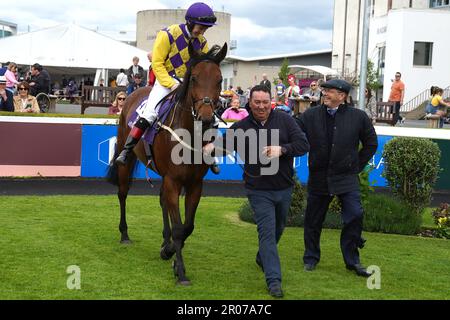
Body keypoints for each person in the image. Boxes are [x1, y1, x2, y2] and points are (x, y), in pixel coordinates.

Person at [203, 85, 310, 298]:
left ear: (271, 102)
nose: (261, 106)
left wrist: (283, 149)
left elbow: (303, 144)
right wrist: (211, 148)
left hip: (284, 187)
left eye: (265, 102)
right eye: (257, 102)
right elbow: (226, 145)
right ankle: (274, 281)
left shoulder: (286, 120)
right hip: (258, 191)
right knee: (268, 233)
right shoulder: (240, 127)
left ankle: (263, 257)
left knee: (279, 228)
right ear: (249, 103)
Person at [115, 2, 221, 175]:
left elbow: (203, 68)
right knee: (149, 112)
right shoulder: (168, 34)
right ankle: (127, 150)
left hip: (188, 84)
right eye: (201, 27)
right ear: (190, 22)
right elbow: (157, 63)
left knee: (210, 116)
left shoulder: (202, 43)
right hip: (166, 81)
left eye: (205, 28)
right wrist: (171, 84)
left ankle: (209, 155)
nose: (203, 31)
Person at [296, 79, 378, 278]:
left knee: (355, 215)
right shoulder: (311, 115)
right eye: (324, 90)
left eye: (329, 91)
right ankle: (311, 258)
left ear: (342, 96)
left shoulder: (358, 117)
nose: (325, 94)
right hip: (319, 177)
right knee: (313, 220)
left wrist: (356, 166)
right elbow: (293, 130)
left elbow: (371, 143)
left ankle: (353, 261)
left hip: (346, 178)